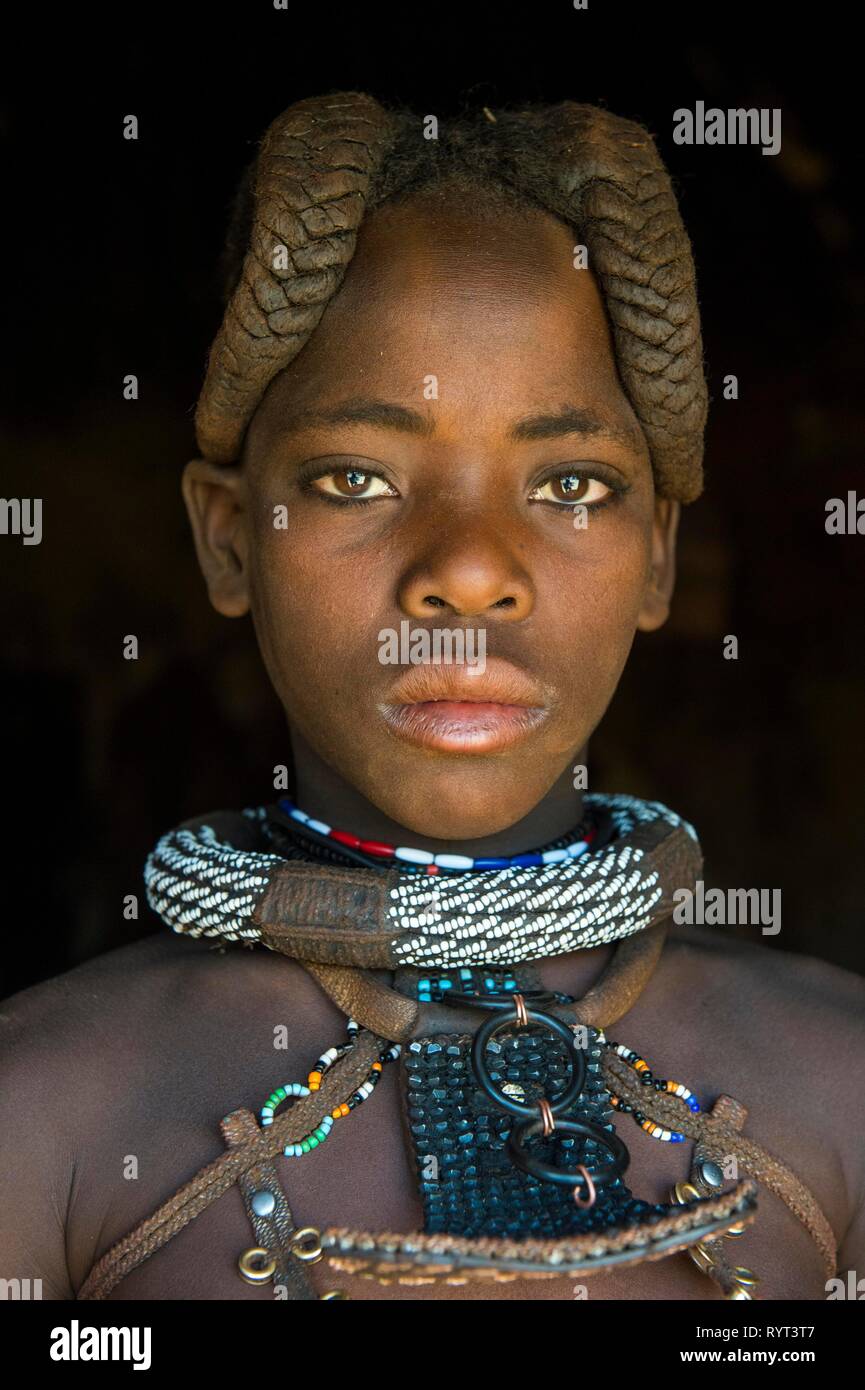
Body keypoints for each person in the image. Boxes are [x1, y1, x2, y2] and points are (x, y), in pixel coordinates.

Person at [1, 93, 862, 1302]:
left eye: (569, 482)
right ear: (232, 539)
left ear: (658, 554)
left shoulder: (845, 1094)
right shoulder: (40, 1118)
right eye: (356, 476)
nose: (467, 569)